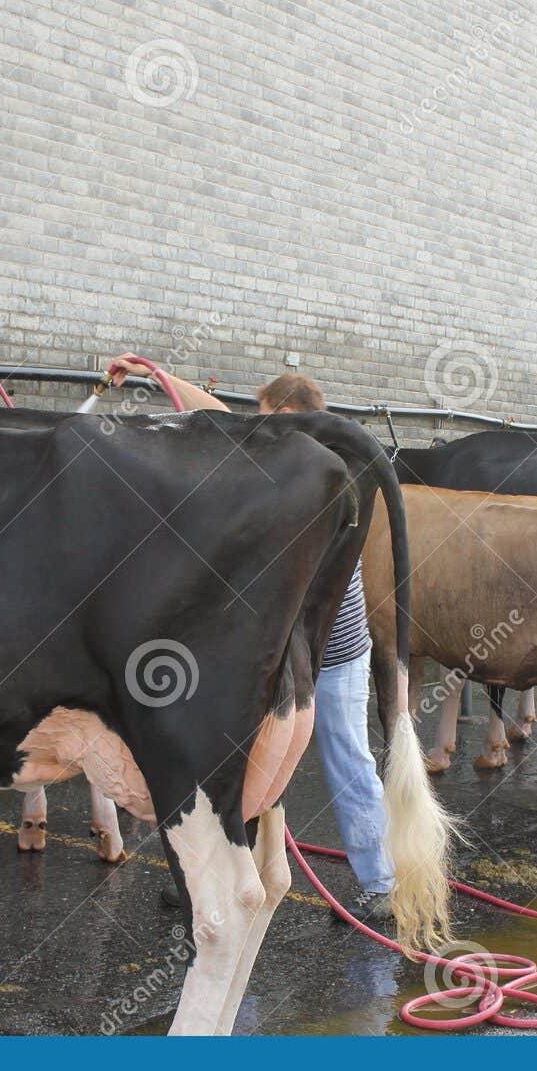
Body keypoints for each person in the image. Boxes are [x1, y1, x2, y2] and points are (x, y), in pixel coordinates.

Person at [106, 354, 396, 919]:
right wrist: (156, 376)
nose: (255, 426)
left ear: (286, 413)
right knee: (260, 762)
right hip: (287, 648)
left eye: (264, 416)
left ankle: (380, 883)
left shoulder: (322, 468)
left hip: (329, 650)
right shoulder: (297, 456)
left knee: (343, 759)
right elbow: (217, 415)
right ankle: (213, 874)